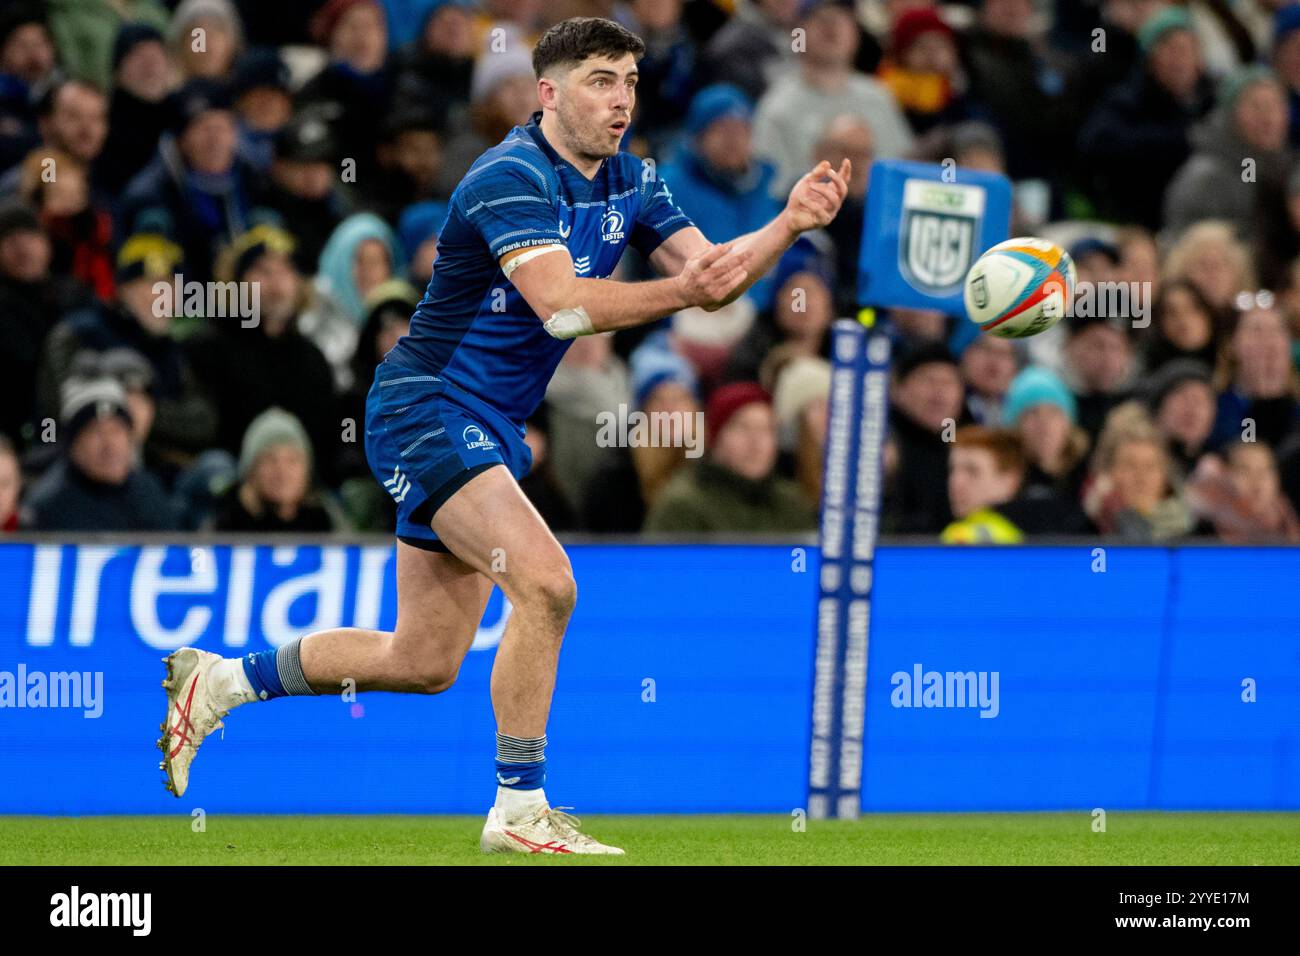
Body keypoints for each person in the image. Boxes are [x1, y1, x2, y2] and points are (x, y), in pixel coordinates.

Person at [156, 16, 853, 857]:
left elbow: (716, 280)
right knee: (549, 585)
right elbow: (564, 304)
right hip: (426, 406)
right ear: (548, 93)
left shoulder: (636, 179)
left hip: (485, 424)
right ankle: (519, 808)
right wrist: (683, 293)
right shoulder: (508, 175)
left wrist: (786, 224)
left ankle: (221, 681)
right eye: (601, 79)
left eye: (629, 81)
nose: (621, 98)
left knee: (423, 659)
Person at [643, 381, 817, 532]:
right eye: (743, 427)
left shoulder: (792, 503)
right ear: (717, 437)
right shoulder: (683, 505)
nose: (756, 442)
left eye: (766, 429)